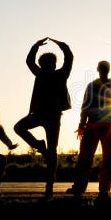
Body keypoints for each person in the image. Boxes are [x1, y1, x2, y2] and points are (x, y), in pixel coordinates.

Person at [14, 37, 73, 199]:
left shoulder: (46, 74)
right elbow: (69, 57)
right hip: (44, 116)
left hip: (49, 117)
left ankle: (49, 184)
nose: (49, 67)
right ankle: (48, 182)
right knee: (50, 149)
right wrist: (61, 45)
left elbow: (29, 61)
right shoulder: (58, 74)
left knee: (49, 149)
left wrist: (35, 46)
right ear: (49, 65)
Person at [70, 60, 111, 200]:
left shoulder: (92, 85)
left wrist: (82, 124)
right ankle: (103, 191)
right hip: (107, 126)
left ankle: (80, 188)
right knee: (106, 159)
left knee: (85, 158)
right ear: (107, 69)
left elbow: (85, 106)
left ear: (97, 69)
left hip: (95, 126)